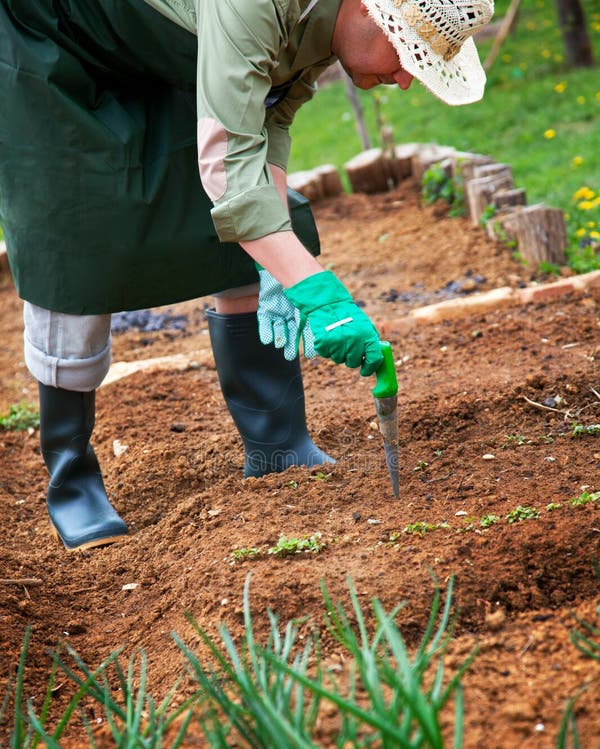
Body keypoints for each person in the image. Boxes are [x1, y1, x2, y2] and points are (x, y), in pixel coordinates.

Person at [0, 0, 494, 551]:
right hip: (51, 44)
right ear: (364, 8)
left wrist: (278, 265)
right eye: (408, 54)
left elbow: (269, 124)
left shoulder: (326, 33)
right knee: (76, 241)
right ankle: (73, 481)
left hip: (164, 53)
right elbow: (227, 169)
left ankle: (276, 442)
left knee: (263, 233)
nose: (405, 79)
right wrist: (317, 291)